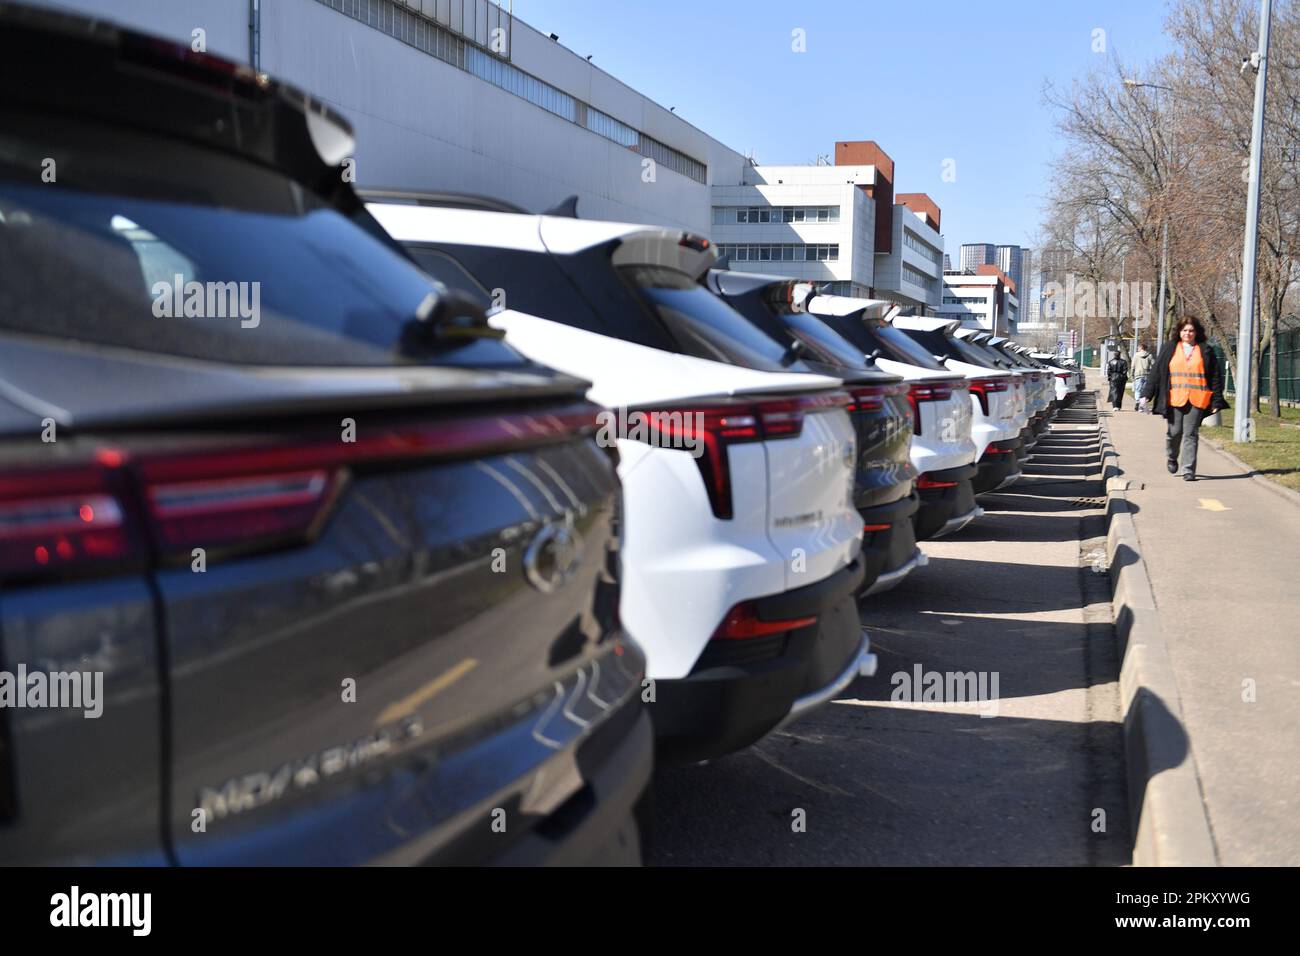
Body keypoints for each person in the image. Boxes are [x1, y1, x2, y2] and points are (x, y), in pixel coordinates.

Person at [1139, 316, 1229, 481]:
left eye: (1191, 330)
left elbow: (1215, 377)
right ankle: (1172, 456)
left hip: (1197, 399)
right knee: (1175, 432)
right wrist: (1146, 394)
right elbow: (1156, 373)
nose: (1188, 333)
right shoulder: (1170, 348)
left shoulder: (1205, 350)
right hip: (1174, 399)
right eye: (1185, 330)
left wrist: (1216, 400)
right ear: (1179, 332)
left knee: (1191, 434)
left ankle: (1188, 469)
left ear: (1196, 332)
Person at [1132, 342, 1154, 412]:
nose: (1137, 349)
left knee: (1138, 390)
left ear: (1141, 348)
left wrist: (1132, 375)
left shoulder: (1136, 355)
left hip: (1138, 375)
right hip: (1147, 375)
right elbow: (1153, 365)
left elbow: (1133, 366)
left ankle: (1137, 402)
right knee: (1144, 391)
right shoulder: (1150, 355)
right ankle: (1141, 406)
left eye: (1138, 347)